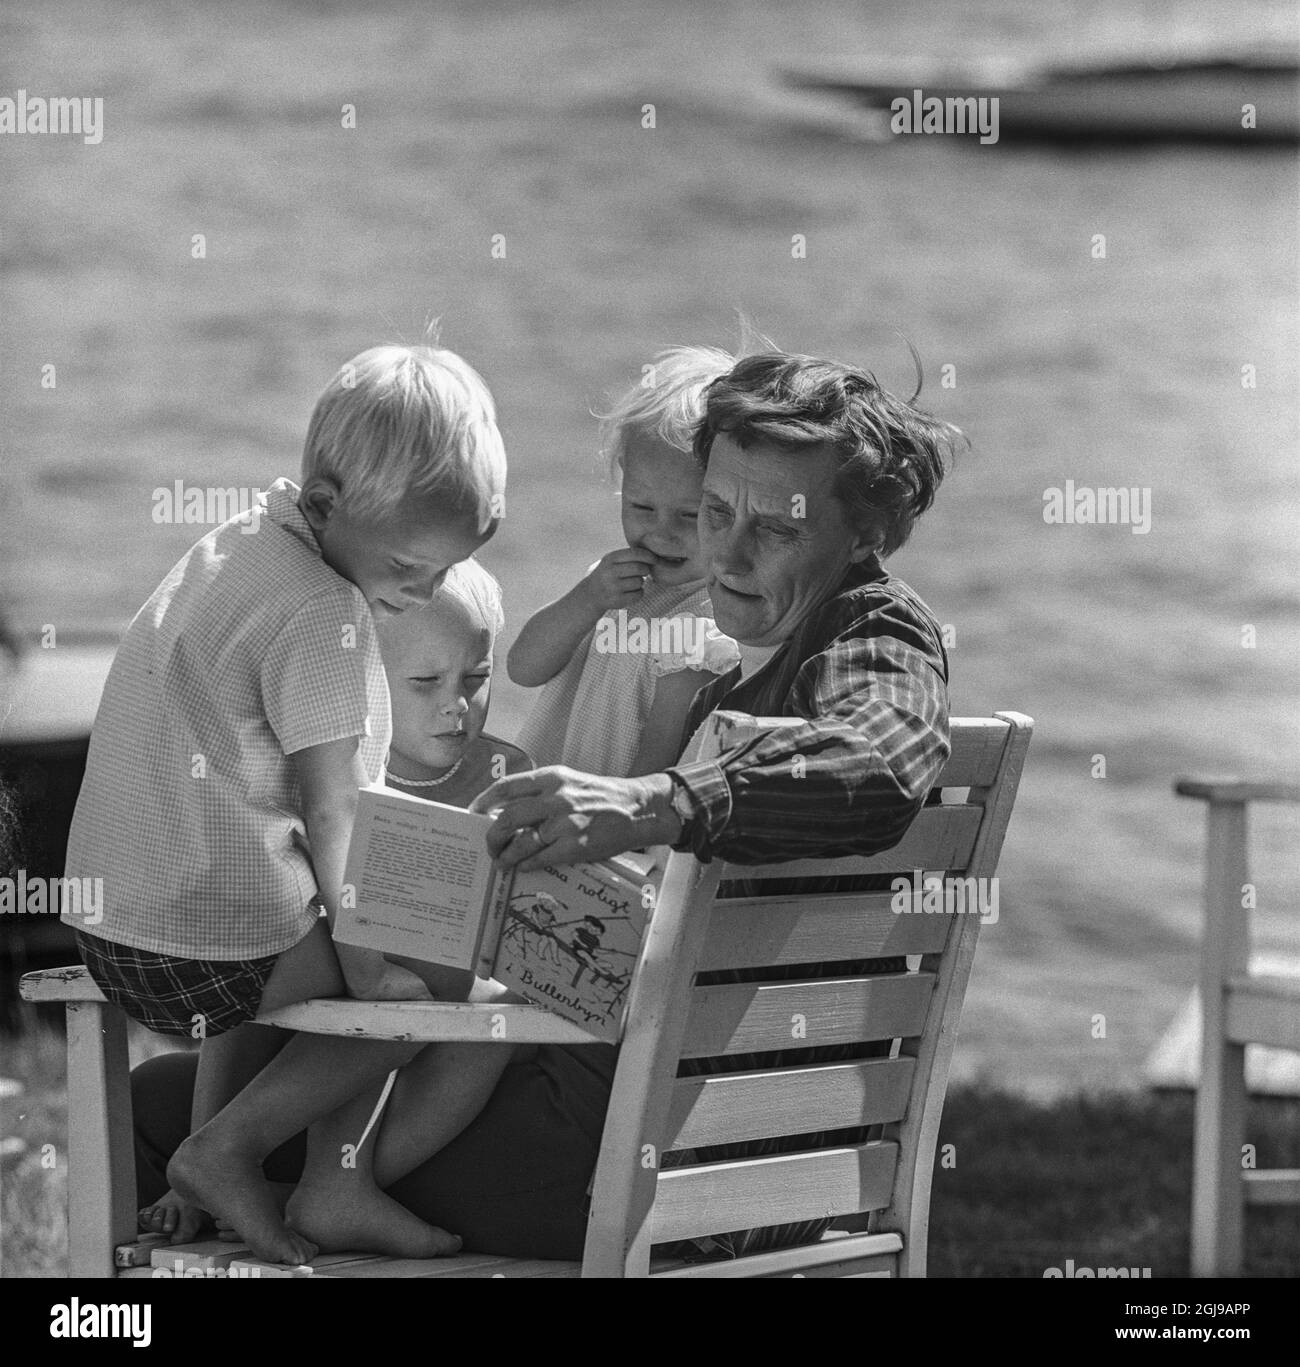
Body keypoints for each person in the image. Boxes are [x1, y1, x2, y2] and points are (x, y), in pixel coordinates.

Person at [130, 347, 960, 1262]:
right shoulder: (746, 667)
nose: (727, 551)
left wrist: (656, 799)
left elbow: (883, 757)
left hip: (636, 1160)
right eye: (716, 511)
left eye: (779, 527)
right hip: (714, 1146)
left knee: (154, 1115)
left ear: (866, 531)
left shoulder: (872, 635)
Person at [67, 343, 505, 1264]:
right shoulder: (323, 616)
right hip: (199, 946)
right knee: (434, 979)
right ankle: (256, 1159)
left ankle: (241, 1166)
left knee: (309, 926)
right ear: (324, 508)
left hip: (115, 926)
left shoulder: (233, 546)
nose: (420, 594)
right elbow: (336, 815)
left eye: (444, 572)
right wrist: (379, 974)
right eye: (411, 568)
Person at [510, 347, 740, 778]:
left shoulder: (707, 624)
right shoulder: (609, 585)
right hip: (552, 797)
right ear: (623, 474)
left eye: (689, 515)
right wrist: (586, 599)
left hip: (612, 819)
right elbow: (523, 668)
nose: (661, 532)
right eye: (641, 506)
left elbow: (659, 756)